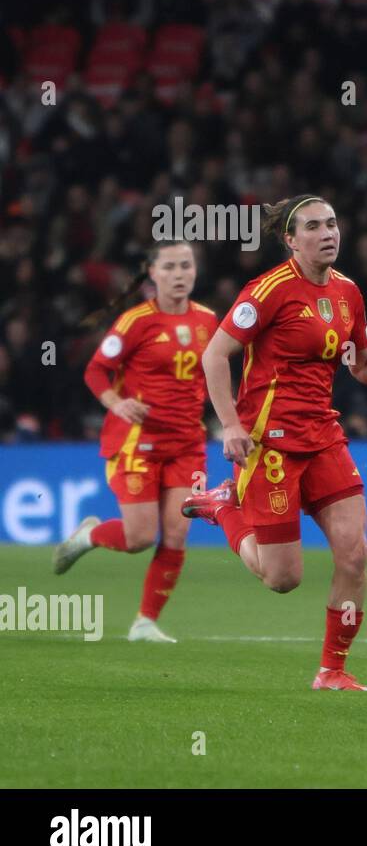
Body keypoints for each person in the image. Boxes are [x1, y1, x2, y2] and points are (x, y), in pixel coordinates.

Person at [182, 195, 367, 690]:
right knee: (282, 578)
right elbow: (214, 356)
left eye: (333, 223)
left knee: (355, 553)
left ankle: (332, 670)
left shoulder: (348, 293)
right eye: (314, 226)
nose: (328, 233)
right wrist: (230, 425)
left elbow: (361, 364)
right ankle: (221, 508)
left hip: (323, 438)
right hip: (268, 445)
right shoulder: (268, 291)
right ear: (292, 241)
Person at [53, 240, 215, 642]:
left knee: (177, 532)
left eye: (186, 266)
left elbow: (221, 373)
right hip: (137, 441)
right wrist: (116, 403)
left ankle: (145, 622)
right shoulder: (135, 321)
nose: (179, 274)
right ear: (152, 274)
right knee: (140, 538)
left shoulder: (210, 321)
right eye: (170, 267)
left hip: (187, 443)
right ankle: (89, 536)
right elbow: (96, 370)